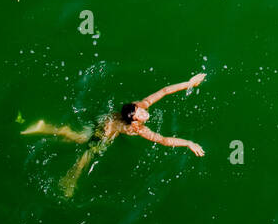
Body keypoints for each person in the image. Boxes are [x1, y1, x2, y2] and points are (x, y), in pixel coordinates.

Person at [22, 73, 206, 195]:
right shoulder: (137, 129)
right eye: (139, 115)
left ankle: (49, 128)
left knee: (80, 138)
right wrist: (188, 143)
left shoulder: (141, 105)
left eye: (140, 111)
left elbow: (165, 91)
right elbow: (164, 140)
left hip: (108, 120)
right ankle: (70, 181)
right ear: (134, 121)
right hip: (107, 129)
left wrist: (189, 83)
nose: (144, 113)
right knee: (88, 154)